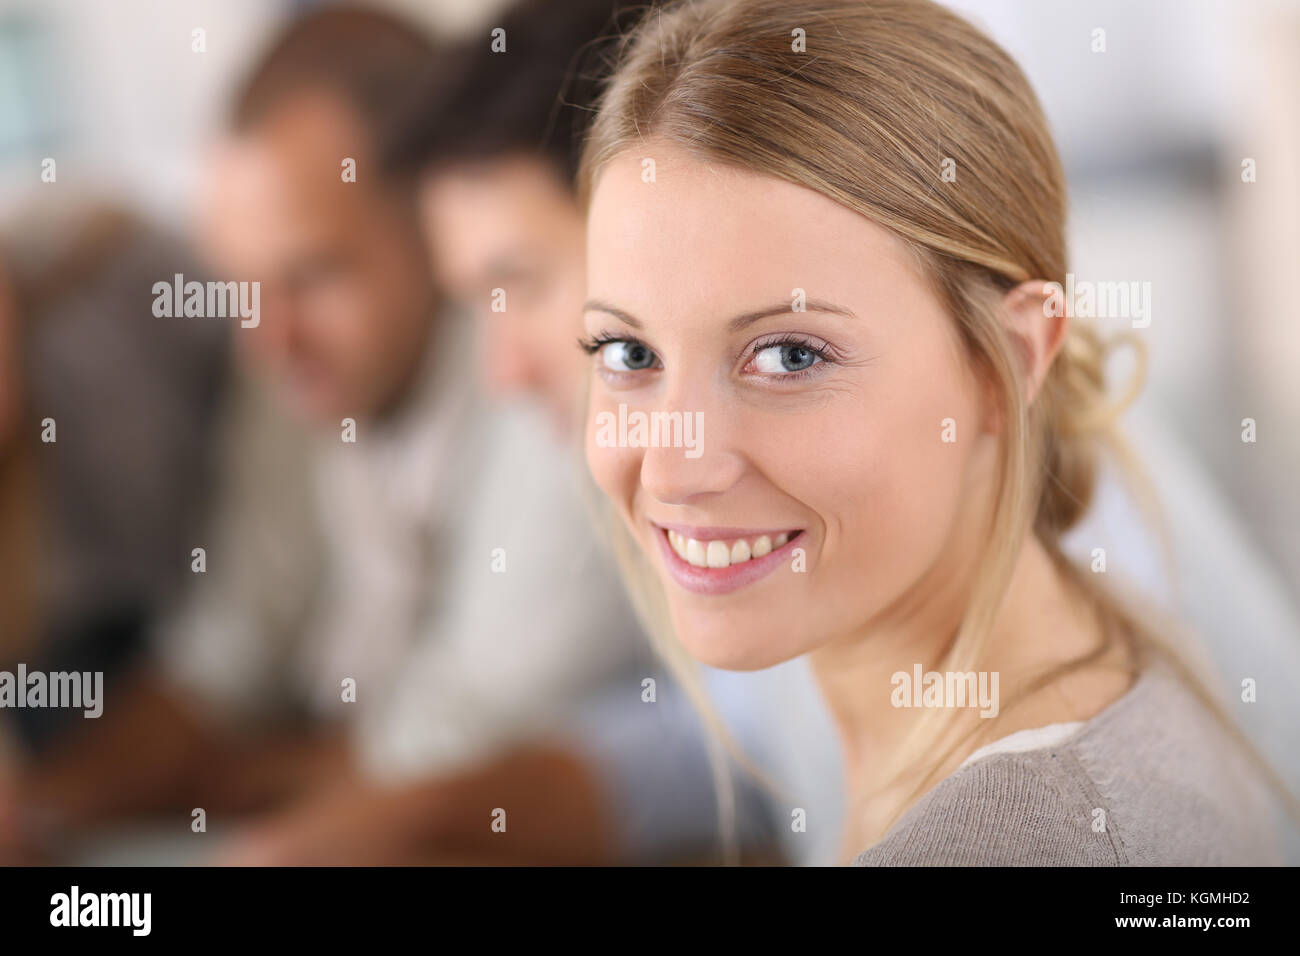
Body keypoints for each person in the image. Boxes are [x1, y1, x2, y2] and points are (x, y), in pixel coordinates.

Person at [576, 0, 1291, 864]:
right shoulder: (1015, 654)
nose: (676, 468)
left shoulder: (1016, 838)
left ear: (1007, 363)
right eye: (628, 349)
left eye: (792, 355)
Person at [4, 5, 641, 866]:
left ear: (434, 222)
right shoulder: (295, 360)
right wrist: (44, 810)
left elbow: (461, 737)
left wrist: (229, 782)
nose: (268, 343)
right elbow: (232, 646)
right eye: (244, 287)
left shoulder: (543, 380)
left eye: (313, 275)